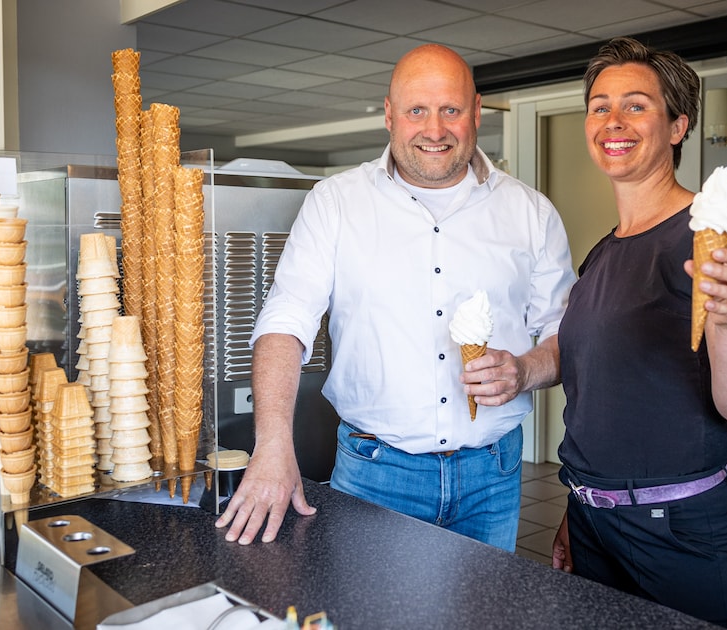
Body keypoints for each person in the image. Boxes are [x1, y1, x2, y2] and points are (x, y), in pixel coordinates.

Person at [214, 44, 576, 551]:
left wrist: (525, 370)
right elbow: (285, 321)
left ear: (476, 111)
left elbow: (565, 334)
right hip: (375, 473)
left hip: (493, 475)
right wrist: (272, 444)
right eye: (416, 111)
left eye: (451, 109)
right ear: (389, 114)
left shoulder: (531, 213)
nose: (435, 129)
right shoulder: (336, 202)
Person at [549, 37, 727, 630]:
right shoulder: (604, 251)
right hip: (594, 521)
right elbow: (602, 398)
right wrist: (581, 506)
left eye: (636, 105)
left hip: (682, 533)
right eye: (599, 106)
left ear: (678, 126)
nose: (613, 121)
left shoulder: (715, 239)